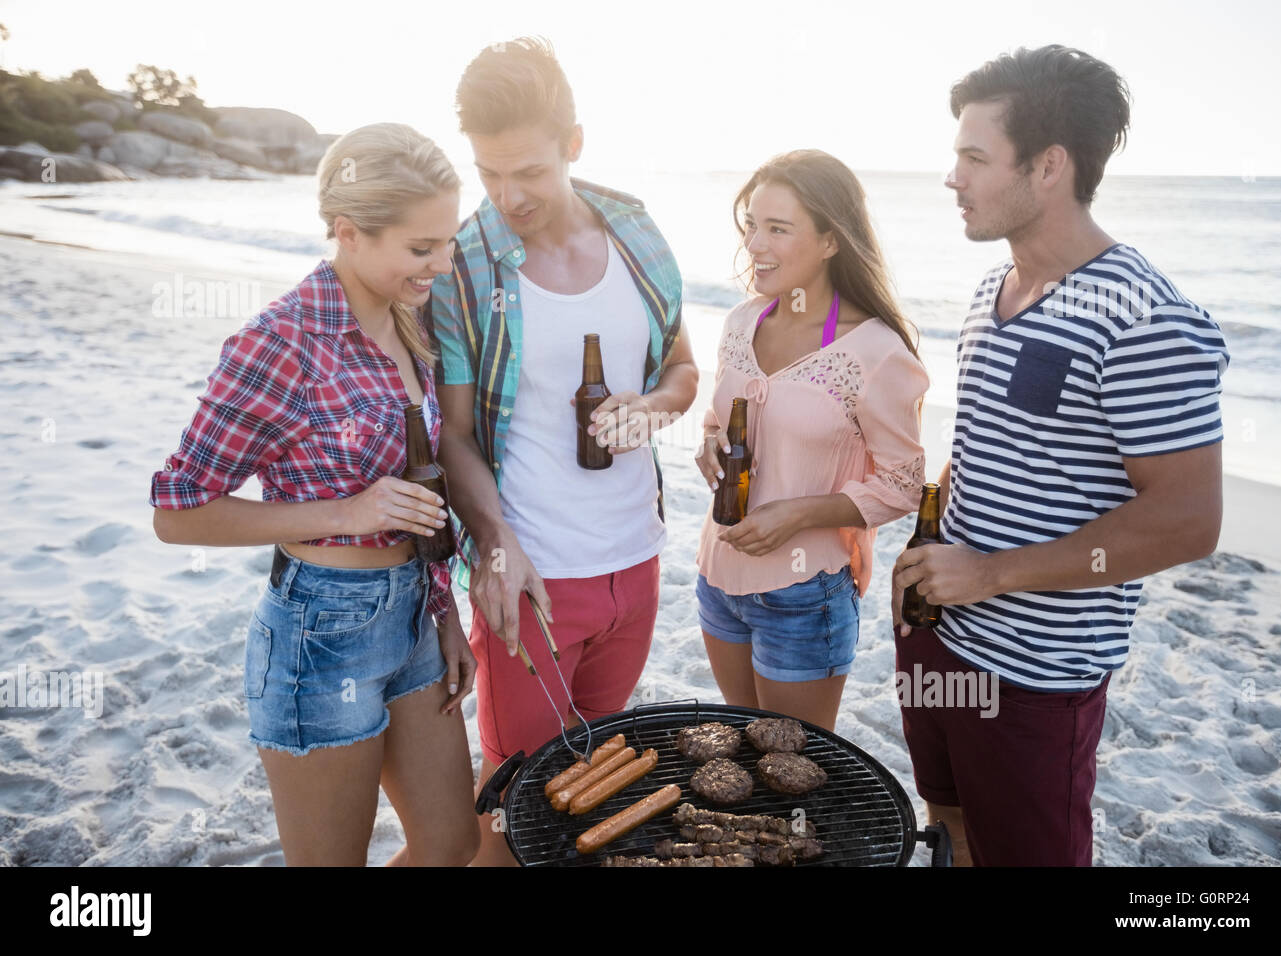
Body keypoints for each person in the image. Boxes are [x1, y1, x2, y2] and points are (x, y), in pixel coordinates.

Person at [891, 45, 1230, 866]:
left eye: (975, 157)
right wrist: (929, 539)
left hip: (1036, 672)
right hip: (937, 629)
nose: (953, 178)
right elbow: (995, 450)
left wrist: (994, 573)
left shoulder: (1147, 317)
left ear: (1049, 166)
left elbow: (1187, 521)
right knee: (948, 826)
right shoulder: (992, 291)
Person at [149, 123, 479, 866]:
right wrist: (350, 513)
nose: (443, 263)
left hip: (415, 615)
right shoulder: (282, 341)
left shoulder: (411, 317)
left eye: (449, 241)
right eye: (421, 248)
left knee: (451, 842)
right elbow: (177, 511)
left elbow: (422, 493)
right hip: (321, 632)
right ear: (348, 233)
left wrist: (446, 612)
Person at [412, 37, 698, 867]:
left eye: (527, 172)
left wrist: (651, 408)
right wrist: (495, 549)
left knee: (597, 786)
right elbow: (454, 434)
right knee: (514, 806)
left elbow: (683, 370)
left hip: (636, 566)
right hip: (531, 578)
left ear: (574, 143)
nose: (507, 195)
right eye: (488, 172)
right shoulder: (466, 264)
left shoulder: (637, 231)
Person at [694, 150, 929, 732]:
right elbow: (716, 421)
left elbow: (902, 484)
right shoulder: (740, 323)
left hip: (804, 596)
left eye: (778, 228)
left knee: (791, 766)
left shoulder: (876, 353)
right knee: (741, 752)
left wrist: (798, 515)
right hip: (717, 576)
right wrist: (707, 446)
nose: (755, 244)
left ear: (830, 241)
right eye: (752, 225)